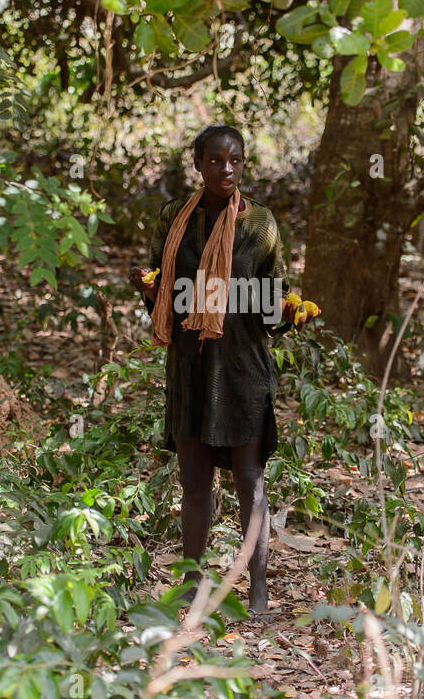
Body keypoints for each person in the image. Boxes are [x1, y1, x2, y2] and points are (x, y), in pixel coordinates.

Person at [129, 124, 313, 618]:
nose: (225, 169)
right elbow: (161, 290)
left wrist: (289, 314)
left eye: (234, 160)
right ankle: (191, 586)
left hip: (241, 368)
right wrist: (147, 291)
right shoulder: (175, 219)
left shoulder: (262, 225)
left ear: (244, 163)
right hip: (190, 365)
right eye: (215, 160)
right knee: (193, 479)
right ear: (198, 164)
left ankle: (256, 589)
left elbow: (274, 302)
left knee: (249, 479)